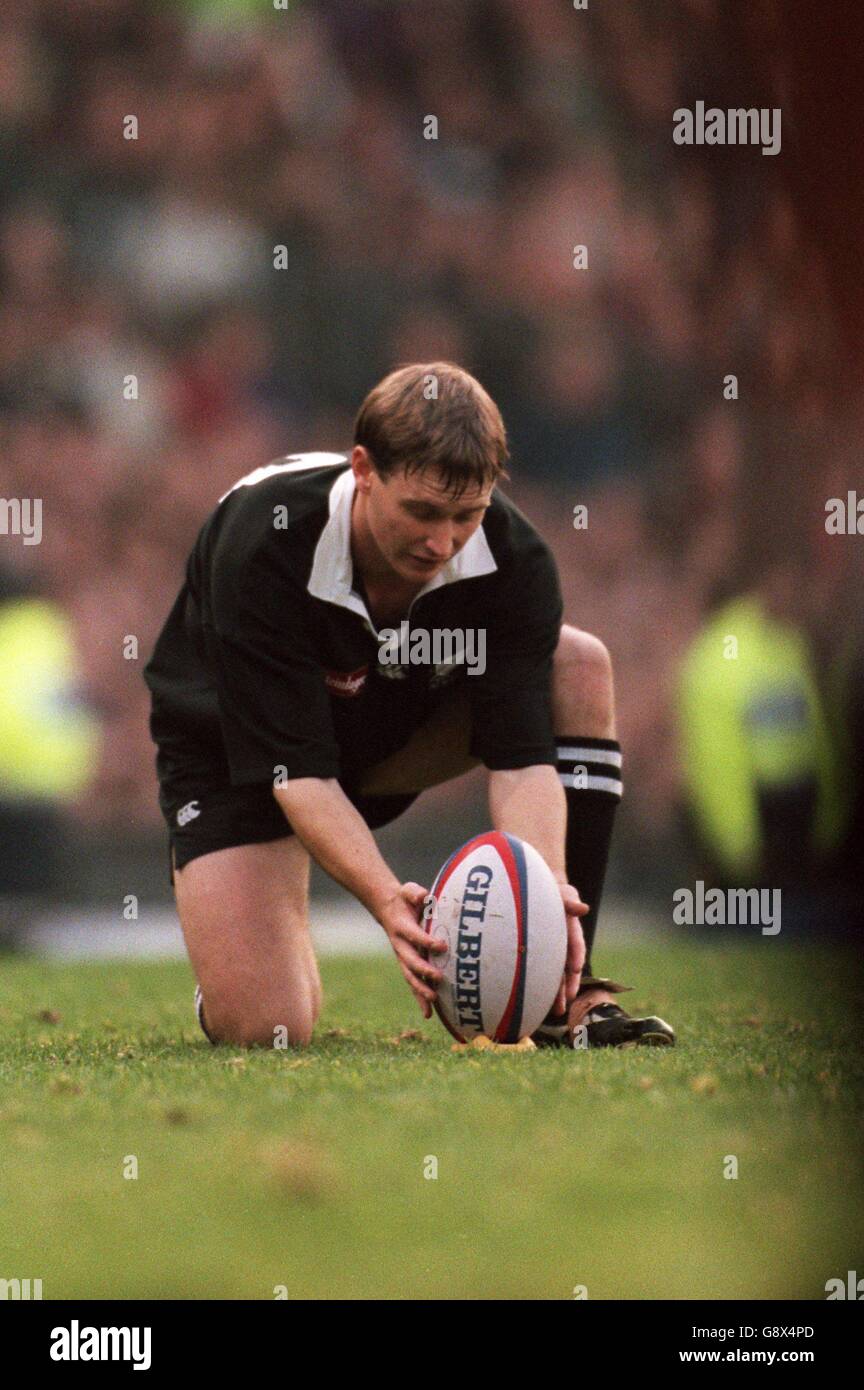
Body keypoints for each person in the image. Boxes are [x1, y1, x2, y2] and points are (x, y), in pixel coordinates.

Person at [143, 363, 674, 1048]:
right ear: (363, 469)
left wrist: (548, 898)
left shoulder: (515, 562)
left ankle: (563, 995)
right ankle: (236, 947)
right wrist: (388, 901)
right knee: (268, 1027)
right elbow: (298, 775)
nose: (442, 541)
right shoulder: (264, 540)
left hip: (389, 737)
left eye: (466, 515)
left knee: (577, 663)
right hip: (242, 760)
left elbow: (520, 761)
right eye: (421, 511)